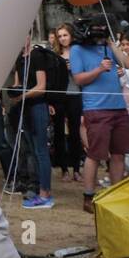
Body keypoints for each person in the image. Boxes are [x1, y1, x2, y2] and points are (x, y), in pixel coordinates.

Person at [69, 25, 129, 213]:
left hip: (119, 106)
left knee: (119, 153)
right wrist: (99, 69)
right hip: (96, 108)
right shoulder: (77, 50)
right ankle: (88, 196)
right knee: (95, 154)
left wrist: (112, 43)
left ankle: (116, 195)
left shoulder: (109, 47)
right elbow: (79, 79)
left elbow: (128, 64)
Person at [8, 37, 54, 209]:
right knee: (32, 150)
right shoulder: (20, 58)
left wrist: (22, 95)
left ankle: (45, 193)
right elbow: (17, 84)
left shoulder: (36, 55)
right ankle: (38, 188)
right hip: (24, 109)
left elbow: (41, 87)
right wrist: (14, 93)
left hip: (37, 107)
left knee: (41, 150)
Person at [50, 24, 83, 181]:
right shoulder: (54, 54)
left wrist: (74, 68)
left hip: (75, 94)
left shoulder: (80, 52)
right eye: (60, 36)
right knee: (58, 133)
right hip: (59, 96)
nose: (63, 38)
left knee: (75, 132)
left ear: (71, 36)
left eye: (65, 35)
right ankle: (64, 169)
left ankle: (76, 169)